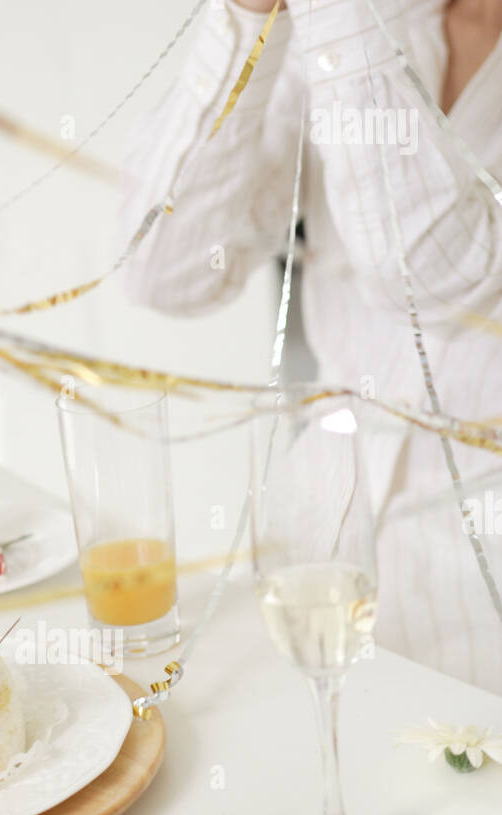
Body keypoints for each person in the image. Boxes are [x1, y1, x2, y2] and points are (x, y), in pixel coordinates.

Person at [121, 0, 502, 691]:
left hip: (483, 608)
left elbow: (435, 287)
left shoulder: (350, 19)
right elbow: (166, 270)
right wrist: (245, 23)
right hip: (315, 553)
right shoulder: (376, 24)